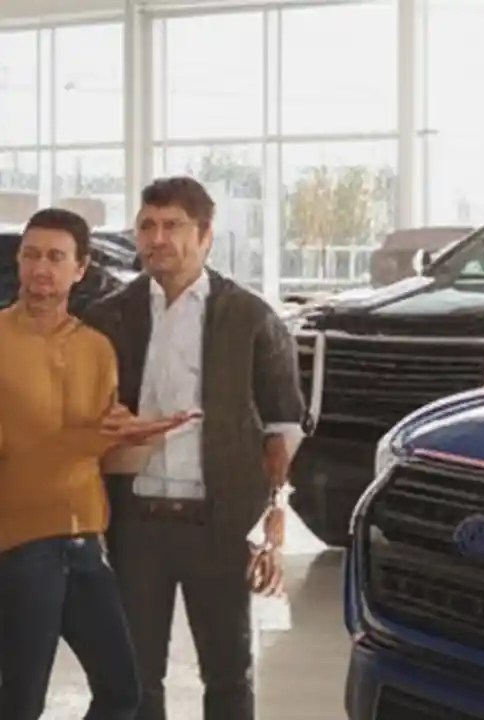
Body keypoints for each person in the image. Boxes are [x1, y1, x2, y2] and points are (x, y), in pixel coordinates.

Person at [83, 176, 307, 720]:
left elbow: (283, 422)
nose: (156, 238)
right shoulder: (110, 316)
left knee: (229, 671)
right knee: (135, 674)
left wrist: (273, 521)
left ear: (205, 235)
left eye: (172, 226)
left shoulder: (250, 317)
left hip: (221, 521)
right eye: (147, 226)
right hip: (134, 522)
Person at [0, 208, 191, 720]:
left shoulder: (96, 349)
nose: (42, 268)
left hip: (86, 545)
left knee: (122, 692)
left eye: (56, 257)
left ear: (80, 268)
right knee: (18, 705)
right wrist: (89, 439)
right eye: (32, 255)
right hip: (18, 549)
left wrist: (137, 436)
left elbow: (102, 451)